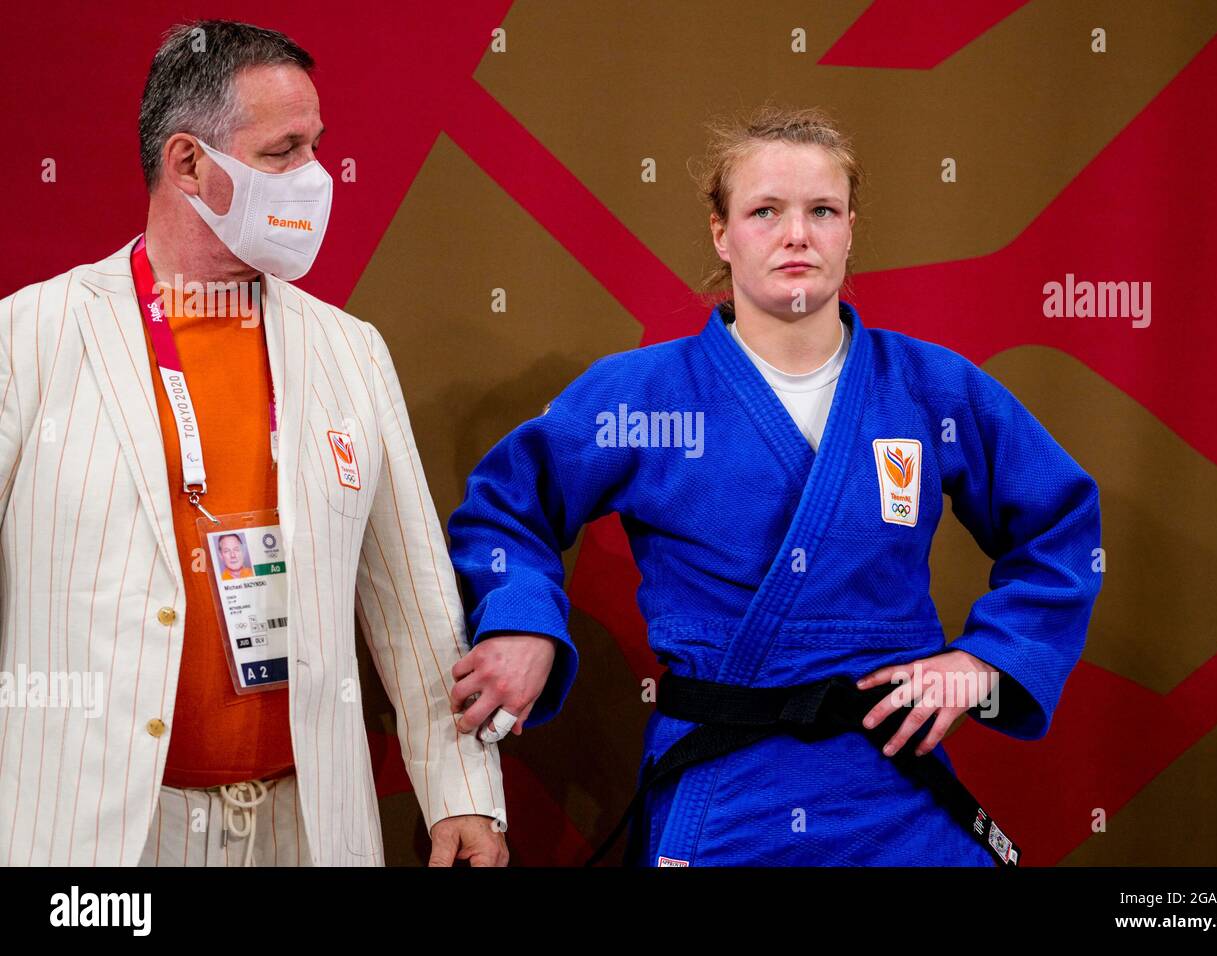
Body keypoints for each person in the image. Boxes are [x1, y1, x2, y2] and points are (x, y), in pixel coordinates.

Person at [446, 106, 1102, 866]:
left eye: (822, 211)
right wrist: (520, 620)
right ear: (722, 234)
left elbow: (1060, 527)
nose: (798, 234)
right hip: (728, 787)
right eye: (766, 211)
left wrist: (988, 660)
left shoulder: (930, 387)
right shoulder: (643, 394)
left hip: (891, 782)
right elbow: (504, 512)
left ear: (851, 228)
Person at [0, 19, 506, 867]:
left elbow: (413, 599)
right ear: (190, 164)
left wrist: (461, 791)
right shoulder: (28, 339)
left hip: (303, 827)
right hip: (92, 835)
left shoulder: (352, 351)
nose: (315, 177)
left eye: (317, 146)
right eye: (283, 152)